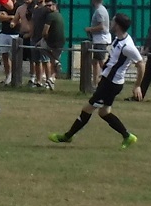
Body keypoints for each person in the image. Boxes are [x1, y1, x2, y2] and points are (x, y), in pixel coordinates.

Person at [49, 12, 142, 149]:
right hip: (109, 81)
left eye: (113, 21)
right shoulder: (118, 39)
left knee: (87, 109)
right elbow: (113, 59)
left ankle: (67, 136)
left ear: (118, 25)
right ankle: (128, 136)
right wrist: (104, 70)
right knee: (104, 112)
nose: (111, 22)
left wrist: (137, 86)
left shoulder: (127, 46)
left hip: (111, 84)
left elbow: (141, 64)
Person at [41, 0, 66, 90]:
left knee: (41, 47)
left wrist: (44, 39)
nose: (48, 7)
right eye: (46, 6)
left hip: (52, 42)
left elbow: (45, 32)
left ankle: (51, 78)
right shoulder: (60, 15)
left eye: (50, 5)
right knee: (55, 63)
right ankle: (51, 80)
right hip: (61, 42)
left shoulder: (50, 16)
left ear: (55, 5)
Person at [87, 0, 111, 66]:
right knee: (95, 61)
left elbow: (101, 26)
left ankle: (106, 75)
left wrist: (90, 29)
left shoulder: (100, 11)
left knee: (100, 60)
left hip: (101, 39)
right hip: (99, 39)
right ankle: (96, 77)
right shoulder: (101, 10)